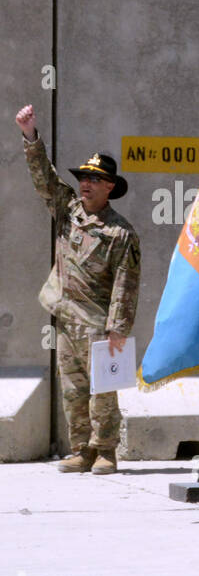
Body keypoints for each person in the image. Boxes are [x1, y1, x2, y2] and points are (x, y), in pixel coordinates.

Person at [16, 105, 139, 475]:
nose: (85, 183)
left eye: (95, 179)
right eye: (83, 177)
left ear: (110, 188)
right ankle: (81, 449)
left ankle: (106, 451)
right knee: (72, 389)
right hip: (67, 319)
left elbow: (126, 283)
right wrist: (30, 136)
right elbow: (44, 179)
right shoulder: (68, 210)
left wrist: (118, 327)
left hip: (100, 323)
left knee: (103, 390)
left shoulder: (120, 232)